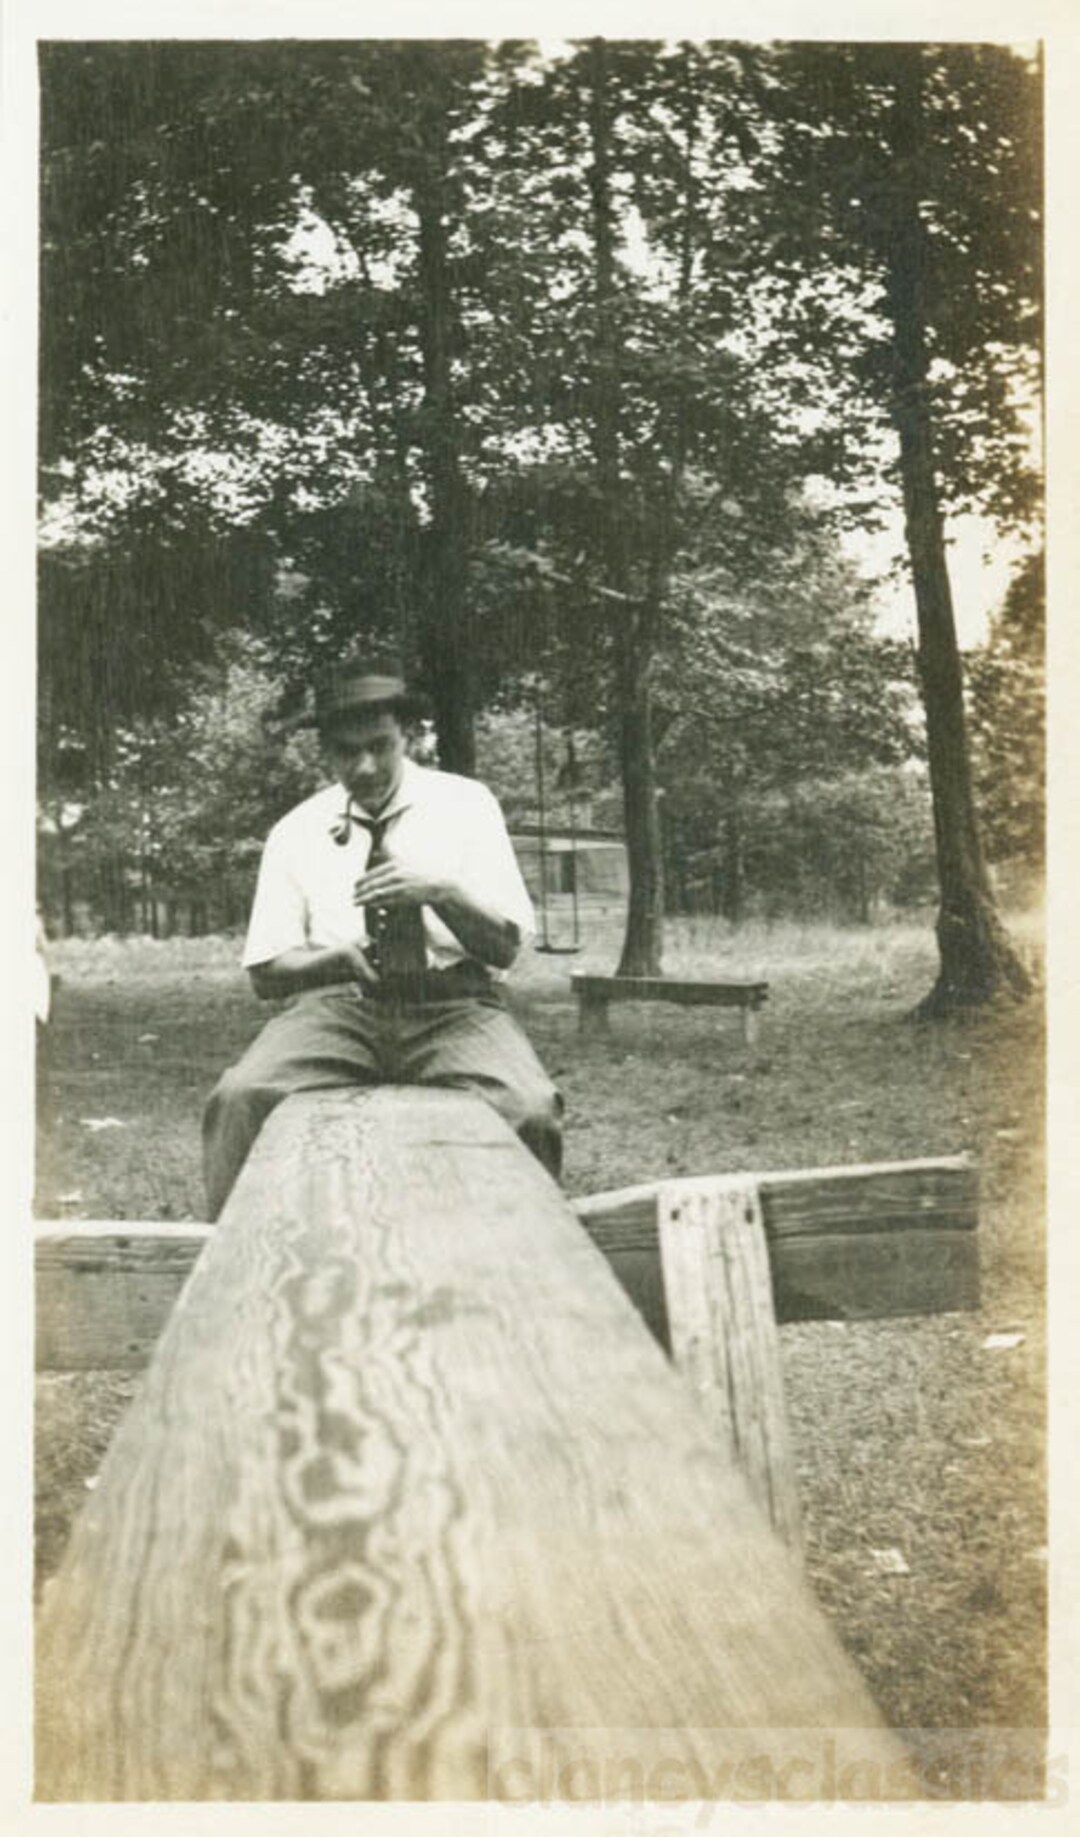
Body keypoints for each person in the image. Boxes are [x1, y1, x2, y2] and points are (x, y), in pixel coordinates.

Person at [203, 662, 563, 1219]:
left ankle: (528, 1272)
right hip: (340, 1011)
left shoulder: (467, 806)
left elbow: (505, 950)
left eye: (381, 746)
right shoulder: (297, 830)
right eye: (348, 752)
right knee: (238, 1098)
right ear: (325, 751)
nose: (366, 767)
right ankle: (234, 1267)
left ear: (409, 738)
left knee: (530, 1108)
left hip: (453, 1007)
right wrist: (333, 962)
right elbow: (265, 975)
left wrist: (441, 892)